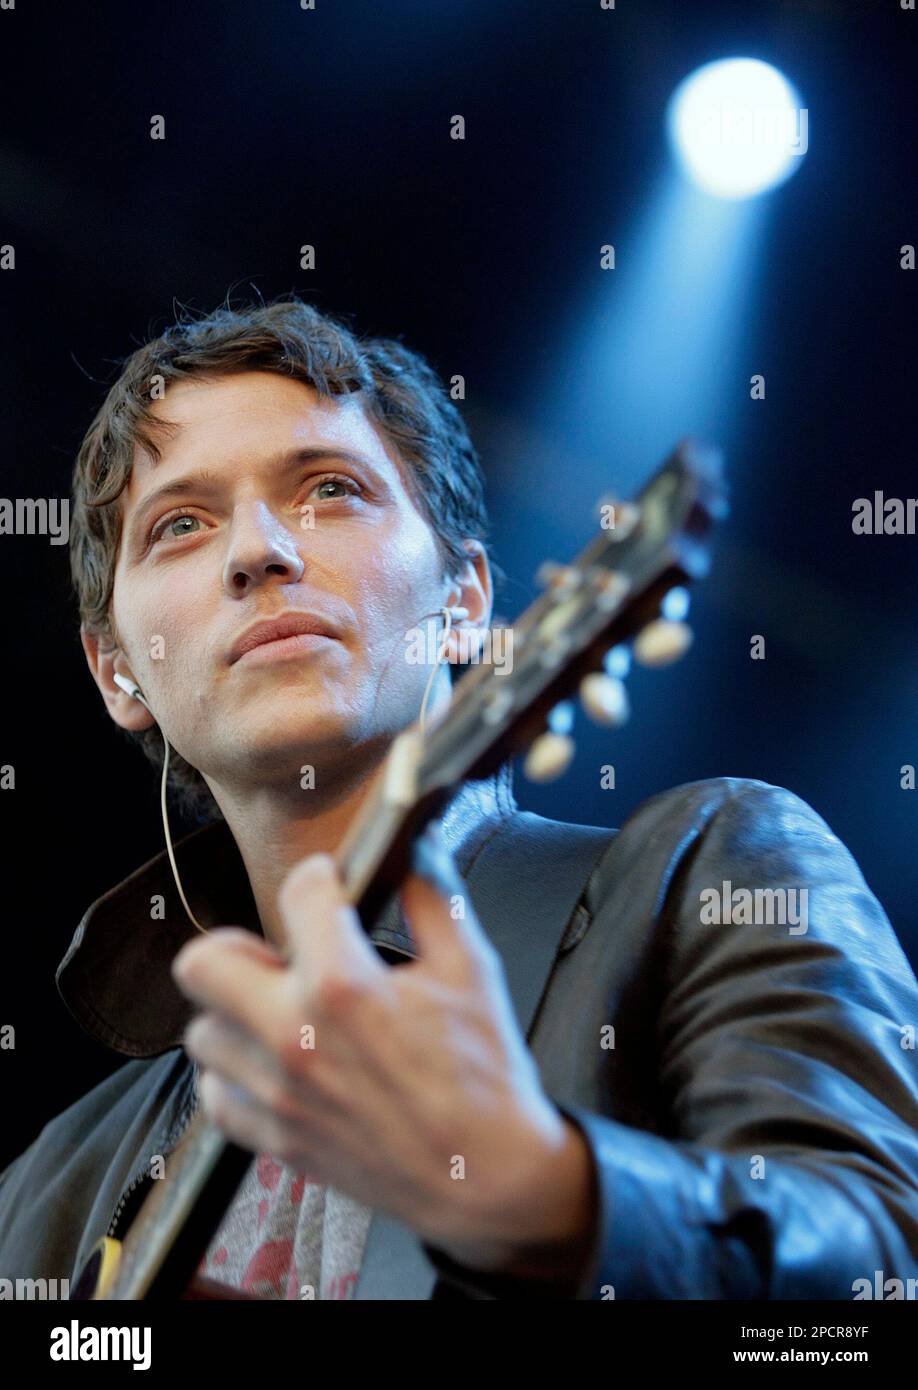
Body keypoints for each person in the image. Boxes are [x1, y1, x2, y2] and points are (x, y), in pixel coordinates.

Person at [1, 296, 916, 1301]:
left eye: (330, 490)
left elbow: (883, 1266)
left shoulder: (713, 869)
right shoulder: (45, 1187)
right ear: (117, 672)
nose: (257, 550)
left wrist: (549, 1196)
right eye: (180, 523)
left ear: (465, 600)